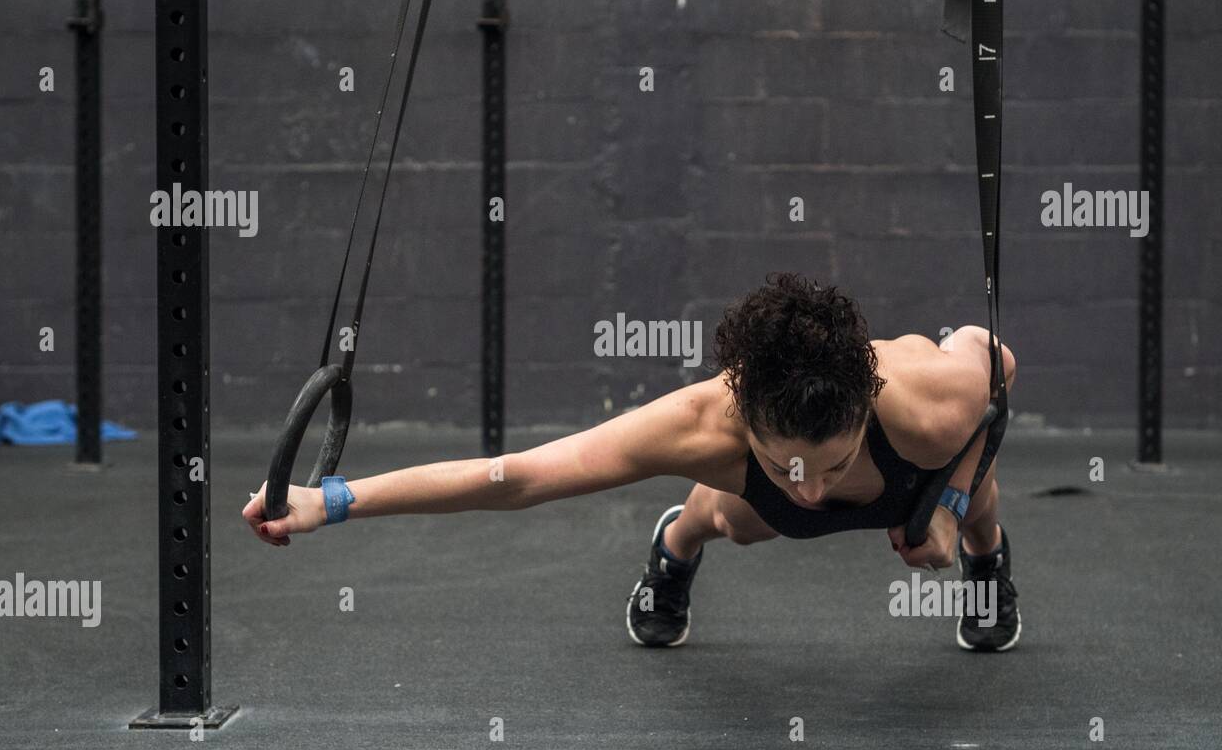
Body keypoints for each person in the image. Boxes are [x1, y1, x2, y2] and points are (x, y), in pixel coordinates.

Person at [244, 272, 1019, 652]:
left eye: (831, 463)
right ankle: (675, 546)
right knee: (731, 519)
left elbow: (1001, 375)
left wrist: (948, 509)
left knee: (977, 494)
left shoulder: (927, 399)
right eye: (791, 466)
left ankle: (986, 558)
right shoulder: (699, 426)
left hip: (919, 473)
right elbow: (519, 476)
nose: (814, 490)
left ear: (865, 403)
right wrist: (327, 500)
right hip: (744, 490)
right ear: (745, 419)